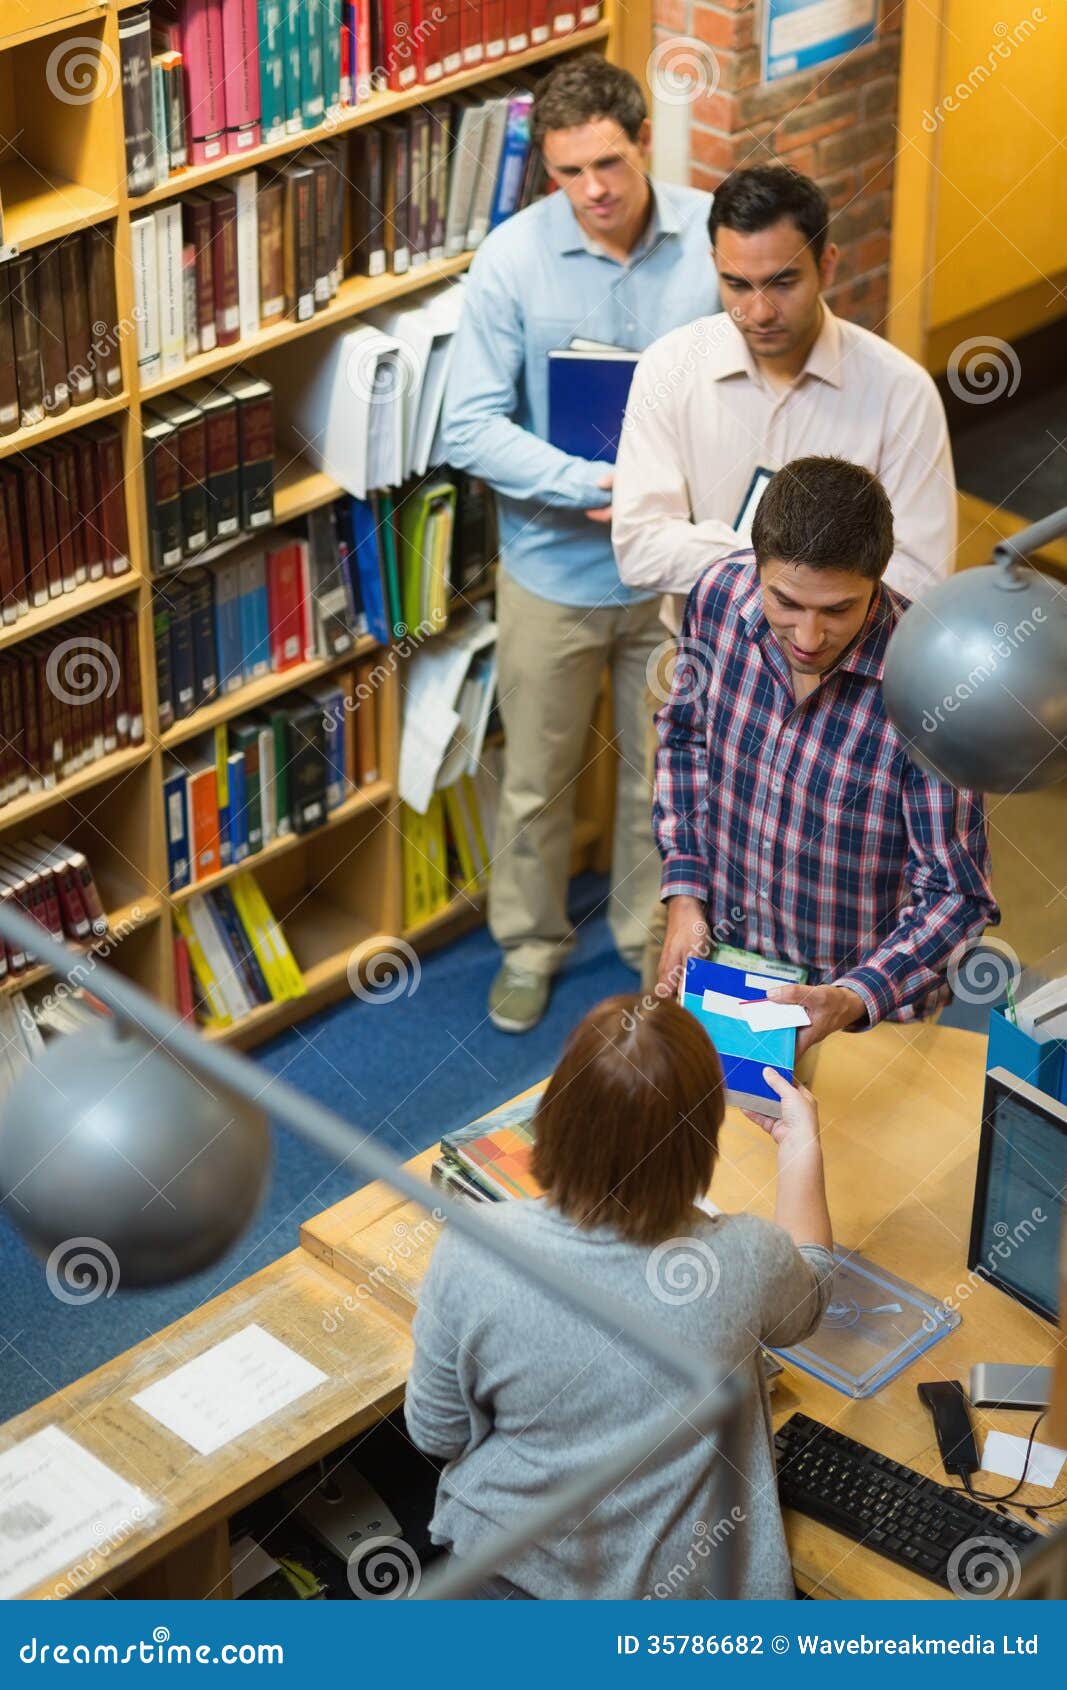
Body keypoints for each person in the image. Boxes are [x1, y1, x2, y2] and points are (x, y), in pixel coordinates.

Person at [439, 54, 719, 1035]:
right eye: (567, 173)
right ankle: (529, 943)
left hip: (674, 575)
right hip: (551, 572)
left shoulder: (710, 241)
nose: (591, 191)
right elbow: (466, 425)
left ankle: (655, 950)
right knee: (535, 782)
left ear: (642, 142)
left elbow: (747, 388)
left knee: (667, 774)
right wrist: (589, 484)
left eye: (607, 163)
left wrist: (674, 493)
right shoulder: (512, 258)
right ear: (545, 170)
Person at [404, 993, 834, 1599]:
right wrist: (799, 1145)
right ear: (701, 1142)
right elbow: (812, 1286)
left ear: (554, 1114)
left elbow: (437, 1434)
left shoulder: (473, 1248)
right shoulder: (745, 1257)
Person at [654, 456, 998, 1054]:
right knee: (714, 1142)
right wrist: (686, 895)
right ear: (756, 565)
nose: (808, 639)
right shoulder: (713, 597)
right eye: (785, 602)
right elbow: (685, 742)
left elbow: (956, 895)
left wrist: (852, 996)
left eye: (838, 609)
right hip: (727, 968)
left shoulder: (930, 678)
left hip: (866, 1009)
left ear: (879, 581)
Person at [612, 164, 956, 631]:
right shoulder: (668, 368)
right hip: (701, 661)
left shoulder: (902, 393)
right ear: (714, 264)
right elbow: (639, 549)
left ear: (827, 265)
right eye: (737, 284)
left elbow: (920, 580)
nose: (759, 311)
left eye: (783, 282)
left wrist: (724, 557)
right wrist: (802, 570)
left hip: (846, 681)